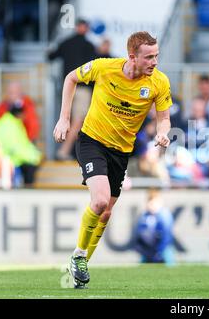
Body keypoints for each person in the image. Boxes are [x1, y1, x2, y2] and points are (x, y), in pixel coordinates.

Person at [53, 31, 172, 289]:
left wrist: (163, 134)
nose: (154, 62)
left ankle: (79, 266)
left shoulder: (159, 82)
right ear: (132, 56)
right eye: (149, 57)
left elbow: (164, 118)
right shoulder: (104, 67)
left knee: (106, 213)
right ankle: (79, 256)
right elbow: (71, 78)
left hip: (121, 152)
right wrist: (64, 118)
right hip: (92, 141)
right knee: (99, 201)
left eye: (156, 56)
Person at [48, 19, 97, 160]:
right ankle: (63, 151)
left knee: (65, 119)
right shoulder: (89, 46)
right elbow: (94, 69)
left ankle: (65, 150)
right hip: (82, 89)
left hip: (67, 88)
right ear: (86, 28)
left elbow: (51, 56)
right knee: (77, 121)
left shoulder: (66, 42)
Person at [133, 188, 174, 264]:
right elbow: (139, 232)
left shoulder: (164, 215)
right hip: (148, 249)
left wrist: (159, 250)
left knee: (168, 267)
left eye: (154, 203)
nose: (151, 206)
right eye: (150, 203)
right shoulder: (144, 215)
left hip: (163, 248)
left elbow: (166, 234)